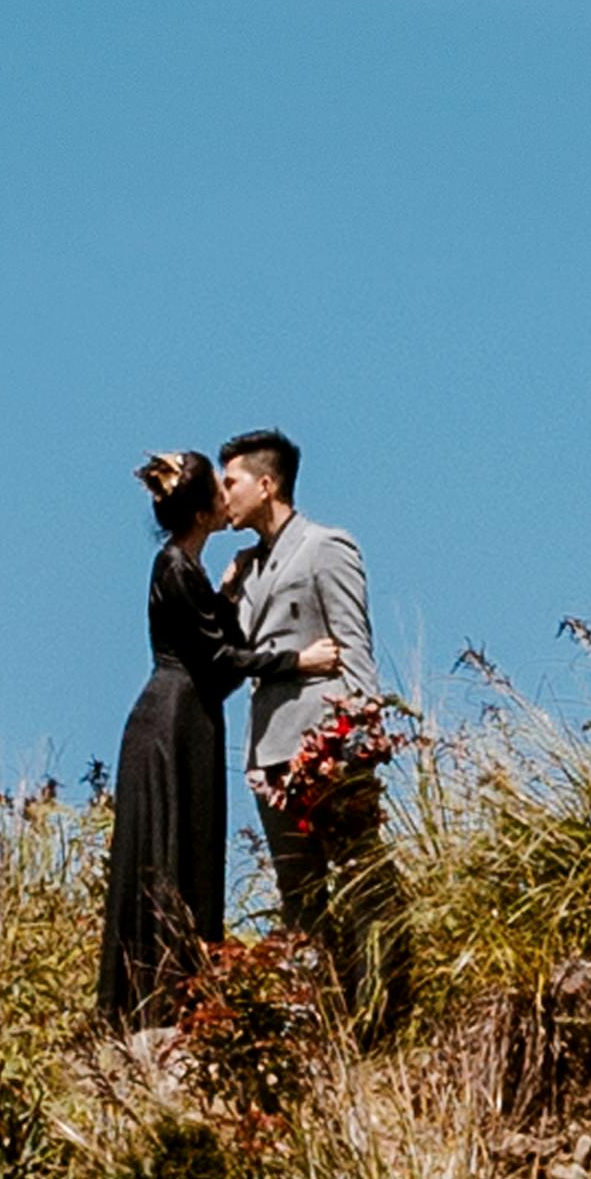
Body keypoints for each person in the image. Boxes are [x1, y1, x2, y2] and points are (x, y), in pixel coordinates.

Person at [98, 450, 332, 1025]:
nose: (231, 497)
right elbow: (222, 659)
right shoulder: (175, 567)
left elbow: (217, 653)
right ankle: (158, 1001)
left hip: (189, 716)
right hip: (173, 719)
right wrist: (297, 661)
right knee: (169, 848)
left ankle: (178, 996)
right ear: (205, 510)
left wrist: (228, 595)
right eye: (222, 489)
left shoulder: (189, 568)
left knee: (186, 845)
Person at [222, 427, 415, 1036]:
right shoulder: (246, 569)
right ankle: (318, 1023)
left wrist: (362, 734)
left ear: (266, 482)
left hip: (327, 745)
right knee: (298, 893)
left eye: (231, 483)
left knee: (362, 877)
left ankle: (387, 1006)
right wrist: (228, 591)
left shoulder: (327, 546)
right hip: (269, 752)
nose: (222, 496)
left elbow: (356, 645)